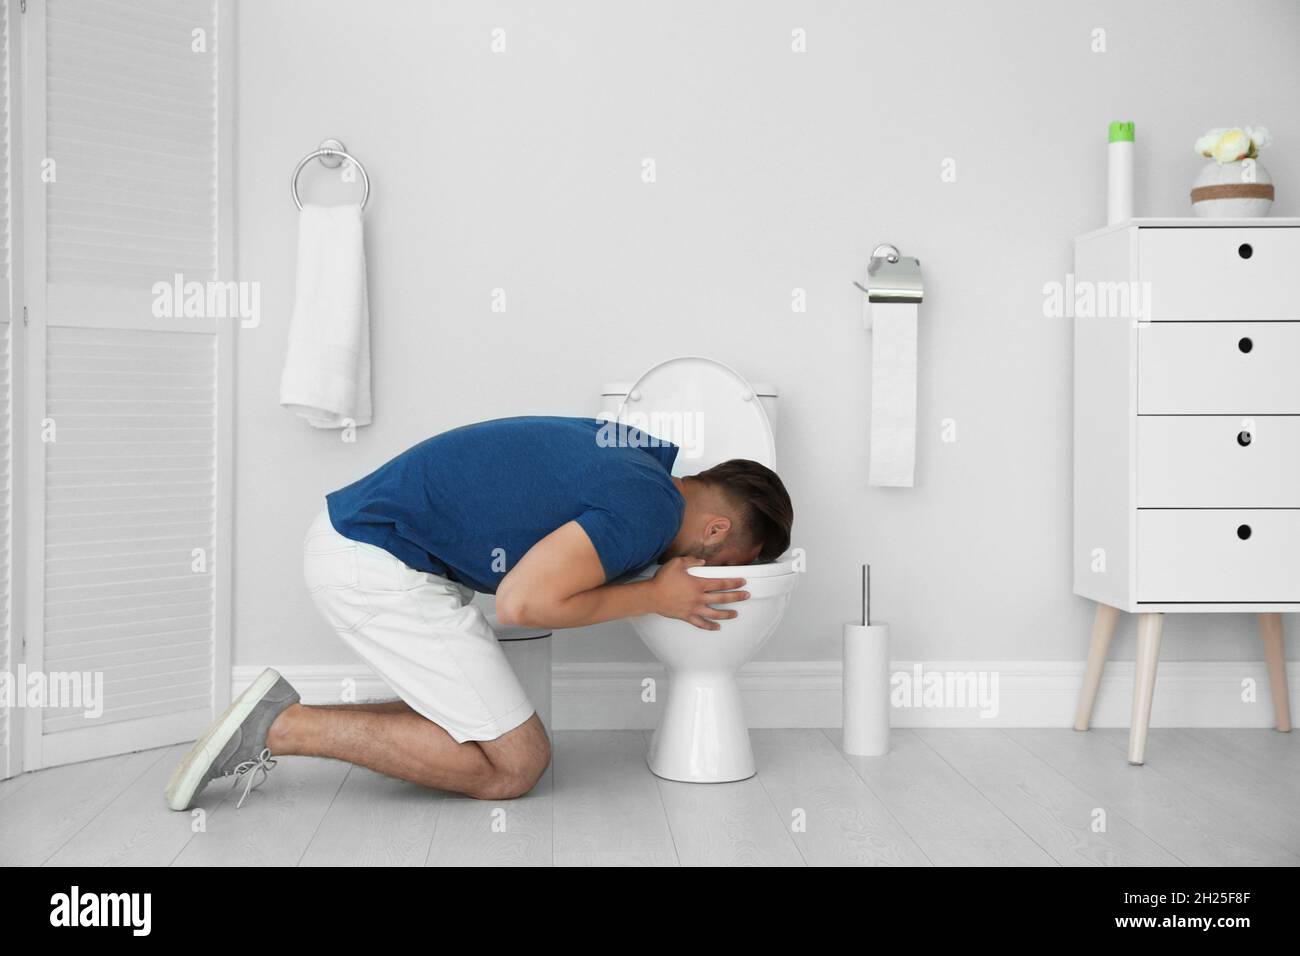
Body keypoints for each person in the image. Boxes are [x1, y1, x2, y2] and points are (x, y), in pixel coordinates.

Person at [165, 416, 793, 810]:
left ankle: (275, 716)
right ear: (717, 528)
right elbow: (523, 603)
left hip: (370, 543)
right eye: (741, 558)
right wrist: (657, 596)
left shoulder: (641, 463)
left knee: (479, 728)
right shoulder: (648, 508)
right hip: (374, 564)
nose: (728, 572)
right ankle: (280, 728)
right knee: (516, 765)